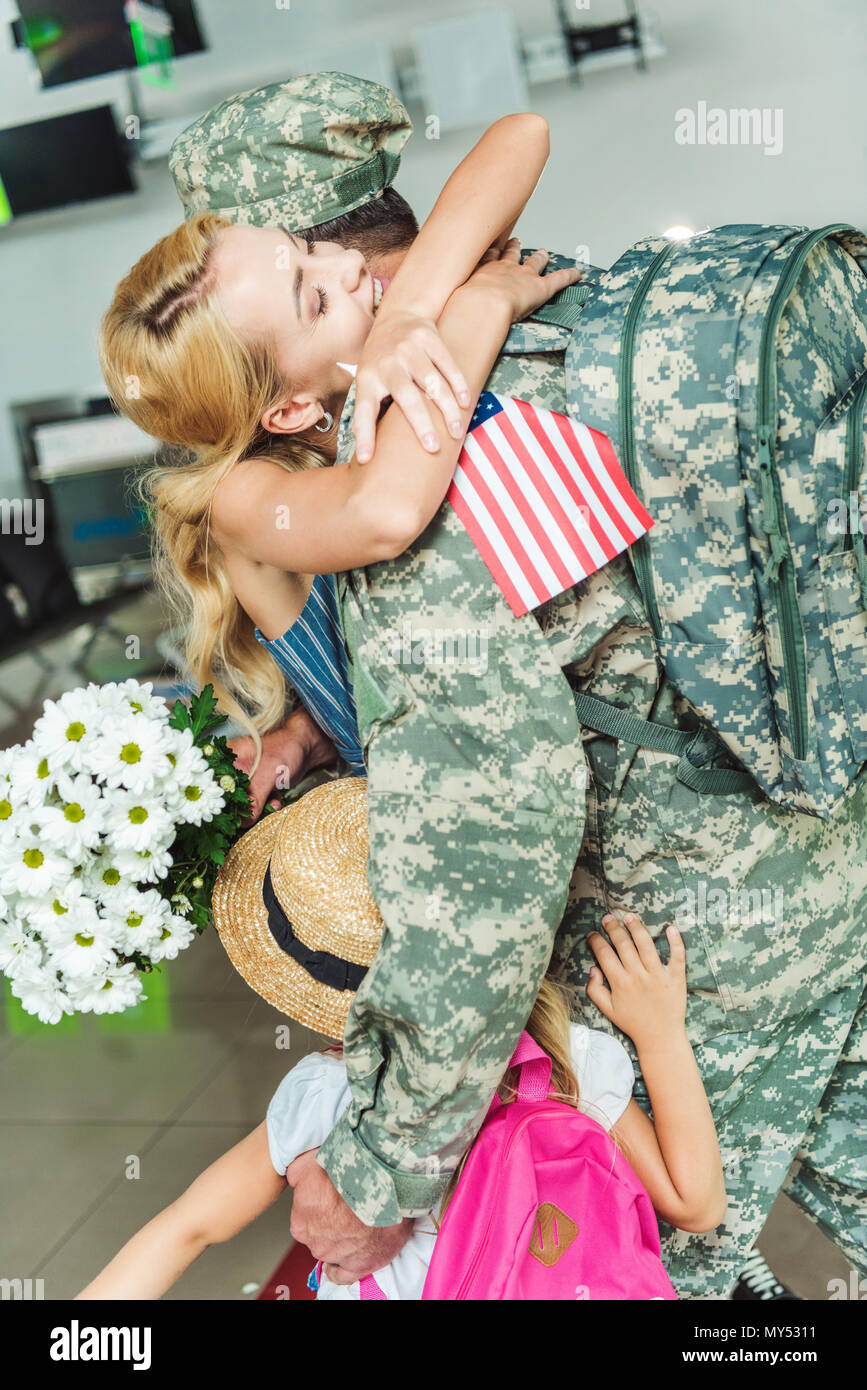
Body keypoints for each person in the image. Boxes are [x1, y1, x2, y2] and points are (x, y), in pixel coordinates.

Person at [160, 75, 867, 1299]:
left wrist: (379, 1166)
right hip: (834, 848)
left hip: (681, 966)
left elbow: (490, 847)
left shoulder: (407, 477)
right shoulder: (571, 309)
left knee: (660, 1270)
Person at [74, 779, 725, 1301]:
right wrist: (659, 1033)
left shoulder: (324, 1094)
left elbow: (187, 1230)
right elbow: (695, 1205)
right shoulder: (567, 1063)